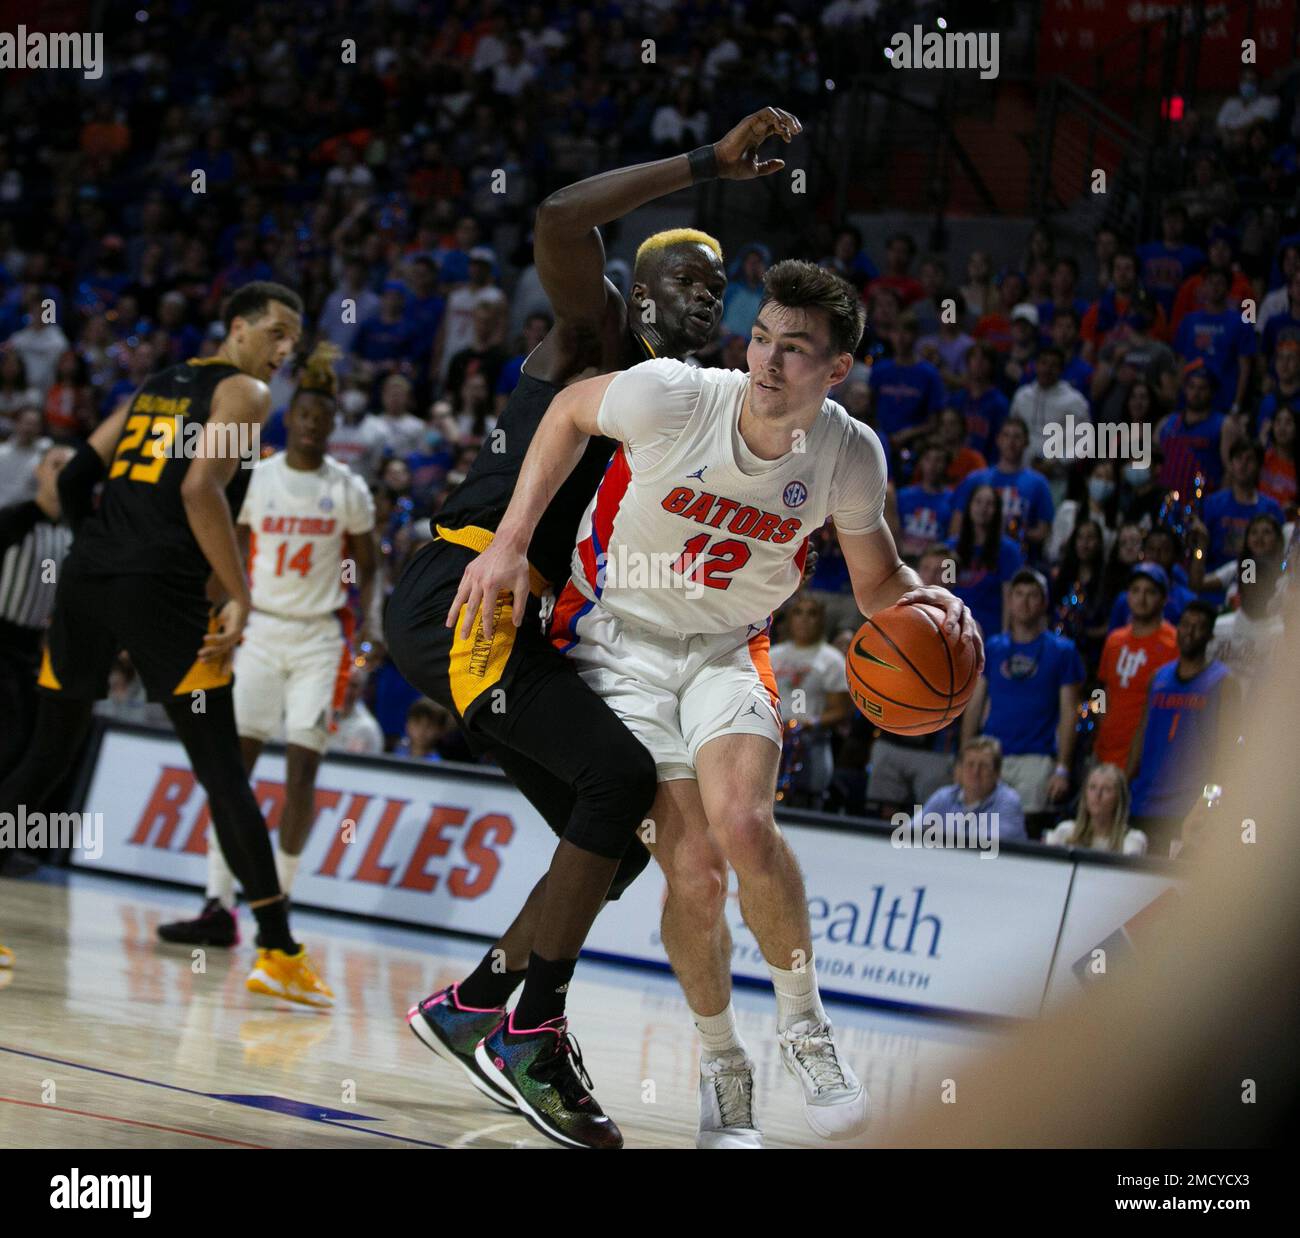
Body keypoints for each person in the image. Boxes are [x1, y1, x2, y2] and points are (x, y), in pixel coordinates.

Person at [455, 259, 982, 1147]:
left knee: (746, 826)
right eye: (763, 338)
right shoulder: (676, 395)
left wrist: (937, 607)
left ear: (837, 369)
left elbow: (877, 579)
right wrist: (509, 543)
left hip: (731, 648)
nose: (770, 361)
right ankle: (724, 1073)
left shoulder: (849, 453)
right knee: (694, 873)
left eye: (796, 350)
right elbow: (565, 410)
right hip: (617, 641)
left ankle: (808, 1031)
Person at [385, 107, 806, 1151]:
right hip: (465, 591)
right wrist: (707, 164)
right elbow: (562, 217)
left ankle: (479, 999)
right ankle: (534, 1027)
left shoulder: (699, 404)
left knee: (620, 833)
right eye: (684, 279)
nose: (703, 300)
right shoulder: (593, 338)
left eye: (719, 289)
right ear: (635, 289)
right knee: (617, 780)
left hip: (522, 618)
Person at [0, 281, 333, 1006]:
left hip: (88, 581)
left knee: (47, 752)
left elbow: (81, 469)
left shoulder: (157, 384)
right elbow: (199, 488)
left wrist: (103, 534)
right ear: (236, 327)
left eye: (292, 341)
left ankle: (274, 945)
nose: (283, 351)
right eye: (274, 333)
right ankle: (277, 950)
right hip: (163, 592)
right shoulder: (245, 392)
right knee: (220, 771)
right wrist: (240, 592)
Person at [158, 345, 377, 947]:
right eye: (302, 412)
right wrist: (215, 609)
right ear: (292, 416)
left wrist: (370, 626)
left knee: (304, 768)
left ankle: (277, 899)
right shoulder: (260, 478)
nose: (310, 422)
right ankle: (217, 902)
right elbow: (229, 552)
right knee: (235, 768)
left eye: (320, 415)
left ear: (332, 423)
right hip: (257, 629)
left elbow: (369, 565)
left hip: (317, 638)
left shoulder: (349, 488)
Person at [961, 568, 1084, 828]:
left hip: (1036, 760)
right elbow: (974, 704)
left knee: (1026, 832)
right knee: (979, 829)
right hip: (991, 758)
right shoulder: (993, 647)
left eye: (1032, 595)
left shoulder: (1063, 651)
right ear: (1010, 599)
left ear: (1044, 602)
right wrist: (965, 757)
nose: (1024, 601)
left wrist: (1062, 769)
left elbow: (1069, 712)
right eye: (1018, 594)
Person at [1127, 600, 1237, 856]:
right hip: (1146, 799)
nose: (1189, 632)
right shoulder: (1158, 677)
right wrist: (1126, 779)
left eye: (1198, 627)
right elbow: (1142, 732)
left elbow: (1227, 748)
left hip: (1188, 806)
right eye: (1185, 625)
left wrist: (1211, 800)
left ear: (1210, 636)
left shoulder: (1223, 681)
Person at [0, 444, 74, 781]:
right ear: (38, 471)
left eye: (70, 467)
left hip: (33, 651)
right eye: (55, 464)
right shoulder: (14, 520)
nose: (62, 473)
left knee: (25, 745)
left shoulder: (76, 532)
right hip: (2, 643)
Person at [1093, 563, 1179, 770]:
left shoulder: (1173, 643)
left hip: (1144, 757)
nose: (1141, 598)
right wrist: (1101, 721)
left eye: (1150, 592)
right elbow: (1101, 688)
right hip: (1105, 750)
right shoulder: (1114, 639)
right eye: (1135, 590)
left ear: (1164, 598)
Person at [769, 592, 849, 807]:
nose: (804, 619)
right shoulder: (772, 655)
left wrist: (810, 722)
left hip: (812, 743)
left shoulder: (832, 660)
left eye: (812, 613)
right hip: (773, 740)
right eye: (798, 613)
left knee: (808, 801)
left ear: (822, 619)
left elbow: (841, 709)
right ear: (789, 618)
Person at [950, 416, 1054, 557]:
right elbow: (956, 526)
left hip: (1019, 555)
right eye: (1006, 435)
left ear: (1026, 442)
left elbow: (1043, 531)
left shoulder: (1038, 483)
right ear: (998, 440)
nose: (1011, 442)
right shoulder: (976, 479)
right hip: (975, 557)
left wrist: (1017, 534)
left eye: (1017, 437)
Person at [946, 483, 1023, 639]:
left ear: (997, 510)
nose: (983, 508)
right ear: (969, 506)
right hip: (954, 628)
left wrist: (1005, 637)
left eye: (990, 504)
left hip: (991, 633)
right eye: (978, 502)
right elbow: (945, 589)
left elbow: (1009, 597)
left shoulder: (1009, 551)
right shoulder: (950, 548)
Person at [916, 736, 1025, 844]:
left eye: (984, 766)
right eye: (970, 764)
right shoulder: (944, 797)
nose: (975, 772)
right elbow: (910, 833)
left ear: (997, 773)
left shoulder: (1008, 802)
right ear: (959, 770)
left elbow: (992, 847)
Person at [1042, 762, 1147, 854]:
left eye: (1107, 789)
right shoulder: (1065, 831)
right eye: (1092, 787)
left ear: (1119, 800)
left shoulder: (1132, 839)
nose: (1097, 794)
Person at [895, 438, 953, 558]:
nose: (932, 465)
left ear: (946, 464)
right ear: (921, 462)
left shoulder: (952, 500)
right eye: (928, 459)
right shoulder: (903, 496)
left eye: (938, 460)